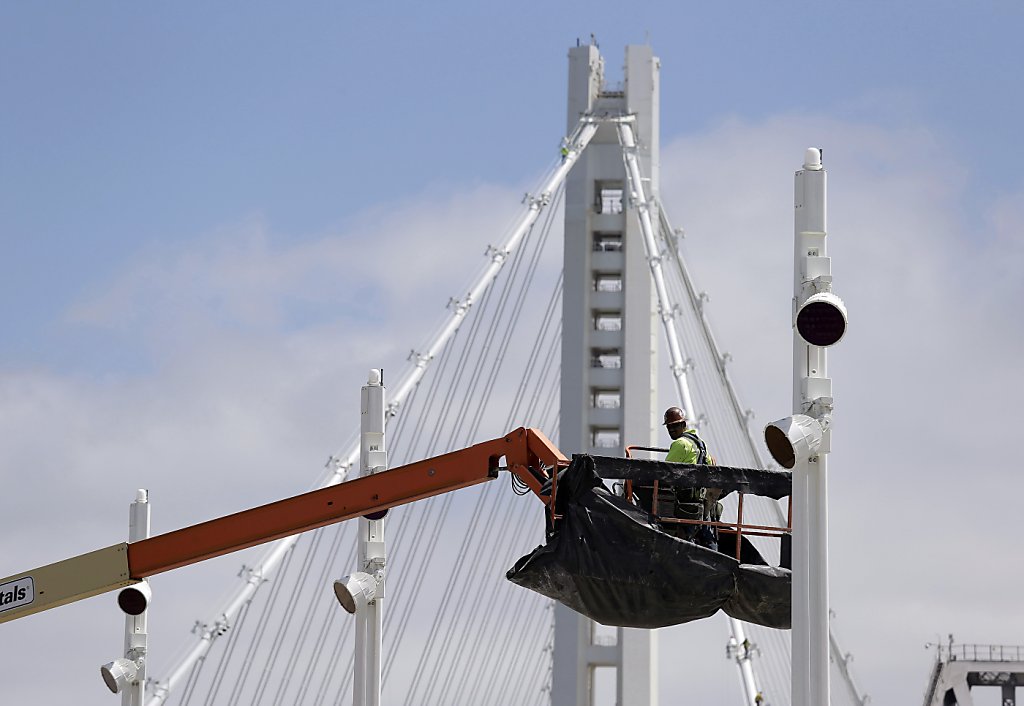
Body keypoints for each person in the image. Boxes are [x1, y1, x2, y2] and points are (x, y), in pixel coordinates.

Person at [662, 406, 721, 550]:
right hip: (702, 502)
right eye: (669, 427)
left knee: (685, 539)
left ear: (683, 425)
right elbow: (711, 464)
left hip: (686, 502)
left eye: (675, 426)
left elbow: (664, 472)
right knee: (707, 537)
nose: (671, 430)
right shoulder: (701, 444)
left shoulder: (680, 444)